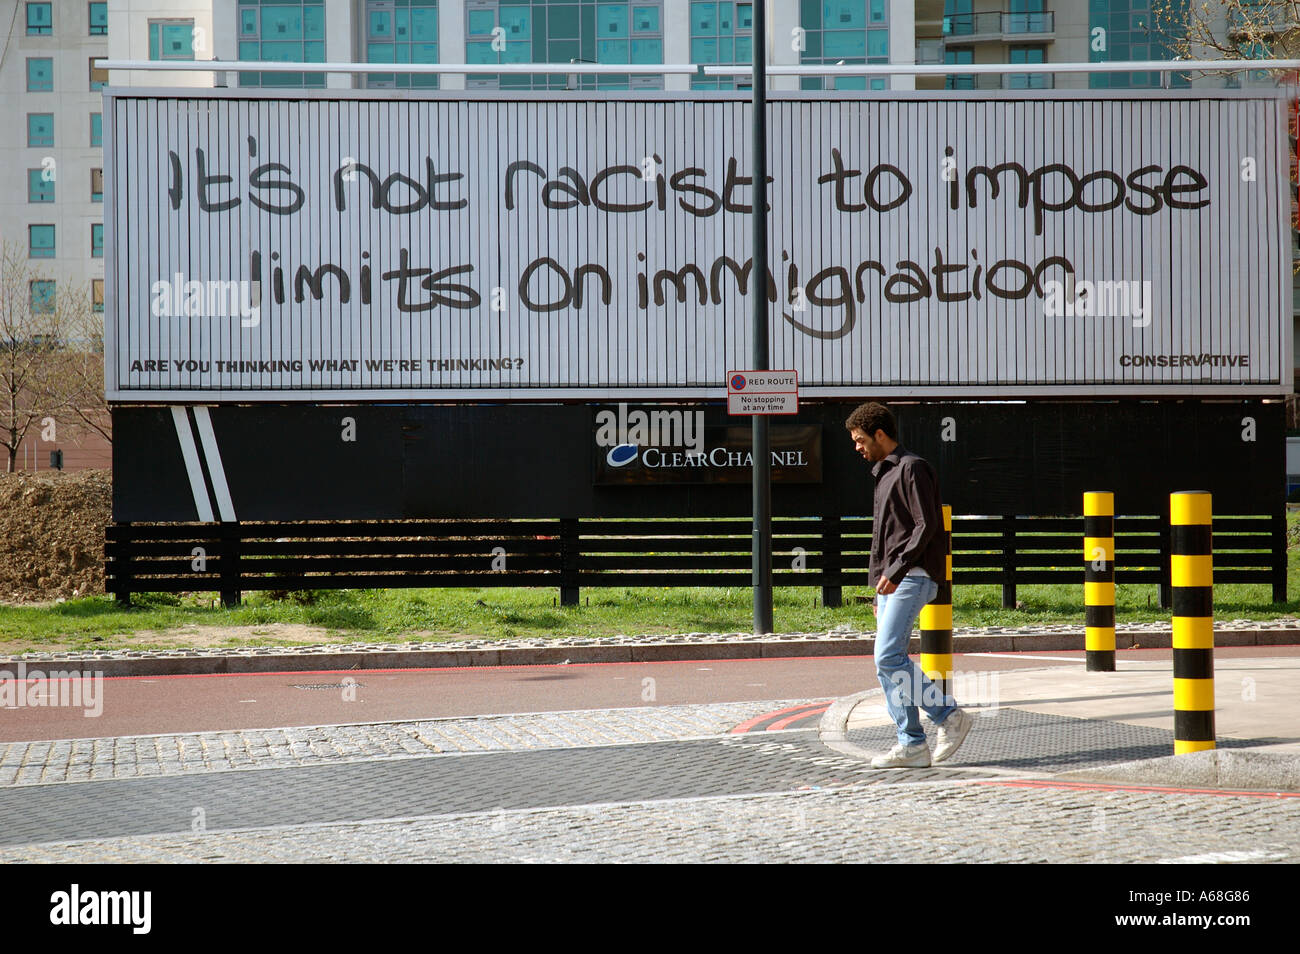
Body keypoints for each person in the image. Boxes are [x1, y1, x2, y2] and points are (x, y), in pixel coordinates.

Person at [845, 402, 974, 769]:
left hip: (914, 575)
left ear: (880, 434)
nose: (857, 447)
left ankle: (948, 716)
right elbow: (882, 537)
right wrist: (876, 587)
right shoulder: (883, 473)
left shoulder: (912, 468)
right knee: (884, 663)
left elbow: (926, 525)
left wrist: (897, 570)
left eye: (859, 440)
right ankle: (912, 745)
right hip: (892, 581)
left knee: (888, 656)